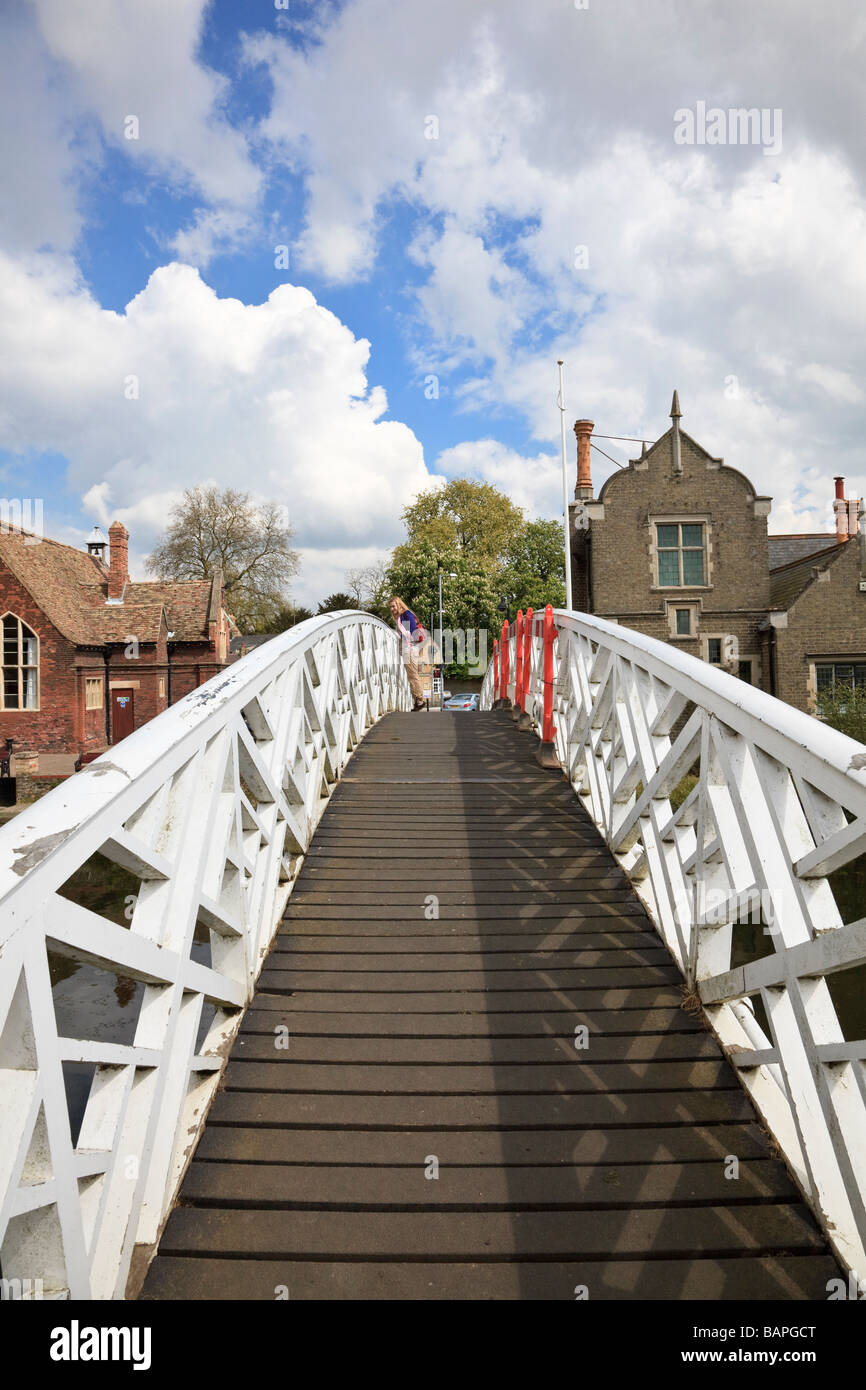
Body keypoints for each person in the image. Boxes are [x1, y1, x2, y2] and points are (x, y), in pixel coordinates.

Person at [389, 596, 427, 711]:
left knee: (413, 675)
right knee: (411, 675)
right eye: (390, 607)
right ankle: (417, 701)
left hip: (410, 648)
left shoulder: (406, 614)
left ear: (399, 605)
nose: (392, 609)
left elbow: (412, 630)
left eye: (393, 606)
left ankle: (420, 700)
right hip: (409, 648)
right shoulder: (401, 617)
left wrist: (401, 636)